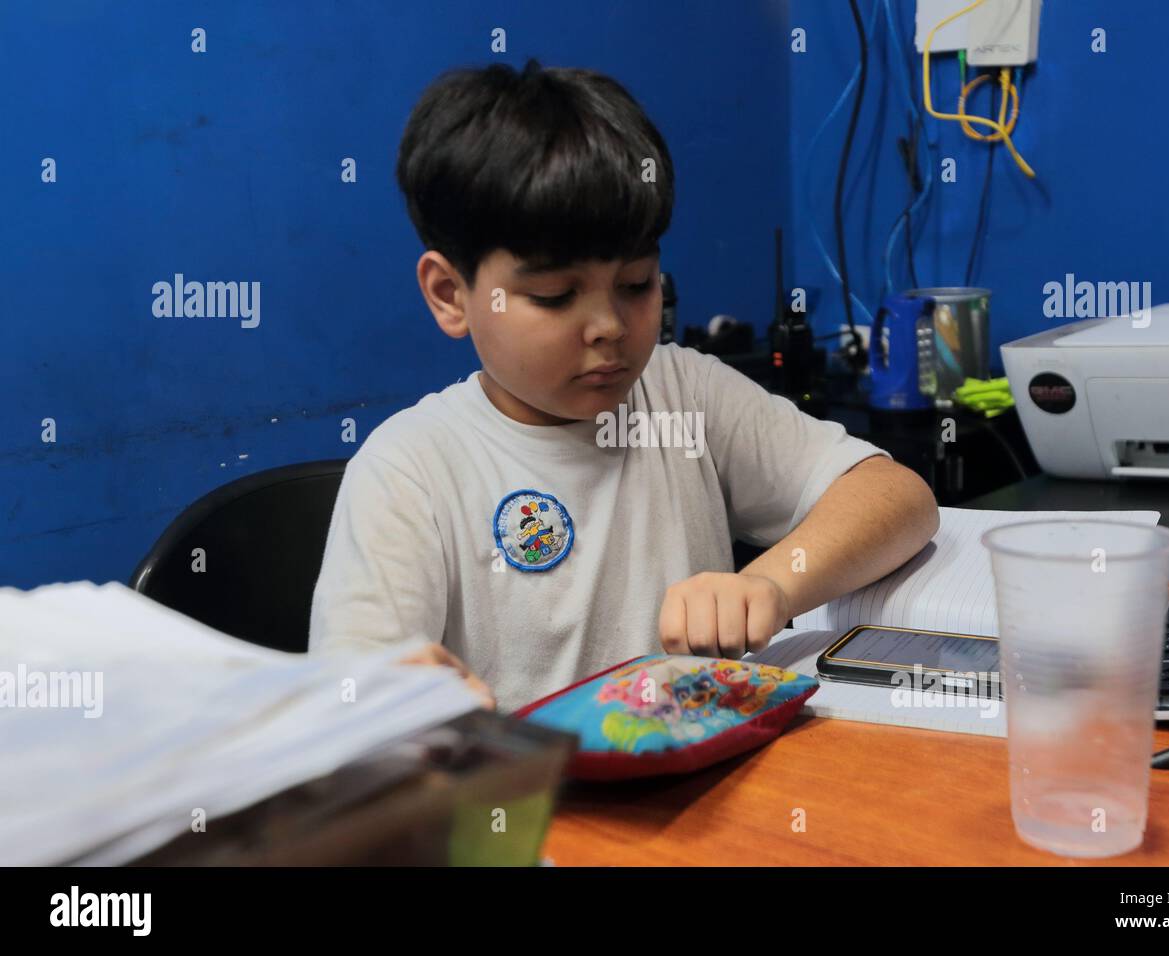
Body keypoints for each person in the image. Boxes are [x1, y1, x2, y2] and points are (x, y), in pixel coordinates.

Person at [309, 59, 940, 714]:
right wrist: (397, 701)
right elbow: (350, 692)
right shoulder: (409, 470)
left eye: (637, 284)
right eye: (555, 297)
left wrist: (772, 584)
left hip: (701, 790)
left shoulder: (686, 394)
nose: (608, 326)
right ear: (451, 295)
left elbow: (898, 497)